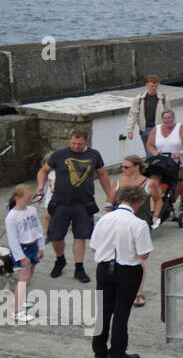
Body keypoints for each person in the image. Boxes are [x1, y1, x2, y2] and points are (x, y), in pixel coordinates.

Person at [88, 184, 152, 358]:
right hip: (127, 270)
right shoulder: (138, 224)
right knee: (121, 313)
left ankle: (99, 354)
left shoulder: (104, 219)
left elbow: (94, 246)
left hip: (104, 268)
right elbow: (143, 255)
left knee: (103, 312)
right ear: (138, 202)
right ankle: (117, 356)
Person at [35, 129, 111, 284]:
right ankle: (60, 259)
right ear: (70, 140)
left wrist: (110, 195)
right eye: (73, 143)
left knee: (80, 235)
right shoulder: (59, 155)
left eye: (79, 144)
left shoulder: (94, 155)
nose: (76, 146)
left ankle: (79, 267)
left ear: (86, 141)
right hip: (60, 202)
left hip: (83, 203)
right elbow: (43, 171)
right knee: (56, 236)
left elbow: (103, 174)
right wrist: (39, 187)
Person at [111, 155, 157, 307]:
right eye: (122, 167)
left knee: (139, 259)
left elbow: (158, 199)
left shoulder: (149, 183)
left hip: (140, 225)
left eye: (126, 167)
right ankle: (120, 288)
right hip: (120, 226)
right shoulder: (118, 183)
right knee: (119, 257)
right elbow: (109, 201)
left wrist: (155, 215)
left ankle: (139, 291)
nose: (122, 170)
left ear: (137, 167)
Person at [6, 185, 44, 323]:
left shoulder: (32, 210)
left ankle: (20, 301)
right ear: (17, 198)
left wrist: (41, 246)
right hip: (22, 249)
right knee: (24, 279)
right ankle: (17, 312)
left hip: (33, 246)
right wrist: (21, 257)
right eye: (27, 198)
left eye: (31, 197)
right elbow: (13, 239)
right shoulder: (12, 216)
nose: (30, 200)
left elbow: (38, 228)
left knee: (29, 277)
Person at [146, 110, 183, 215]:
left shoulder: (181, 128)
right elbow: (149, 144)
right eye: (165, 118)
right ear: (162, 119)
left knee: (181, 182)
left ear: (173, 118)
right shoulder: (156, 129)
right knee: (161, 180)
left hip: (180, 161)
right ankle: (160, 200)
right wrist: (154, 152)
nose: (167, 120)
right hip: (163, 160)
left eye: (169, 118)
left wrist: (181, 152)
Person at [126, 76, 169, 150]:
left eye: (156, 86)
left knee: (154, 152)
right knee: (148, 151)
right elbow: (133, 114)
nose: (154, 88)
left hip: (158, 129)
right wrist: (130, 130)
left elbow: (169, 115)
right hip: (144, 129)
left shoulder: (163, 98)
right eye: (152, 86)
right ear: (147, 85)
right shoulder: (139, 98)